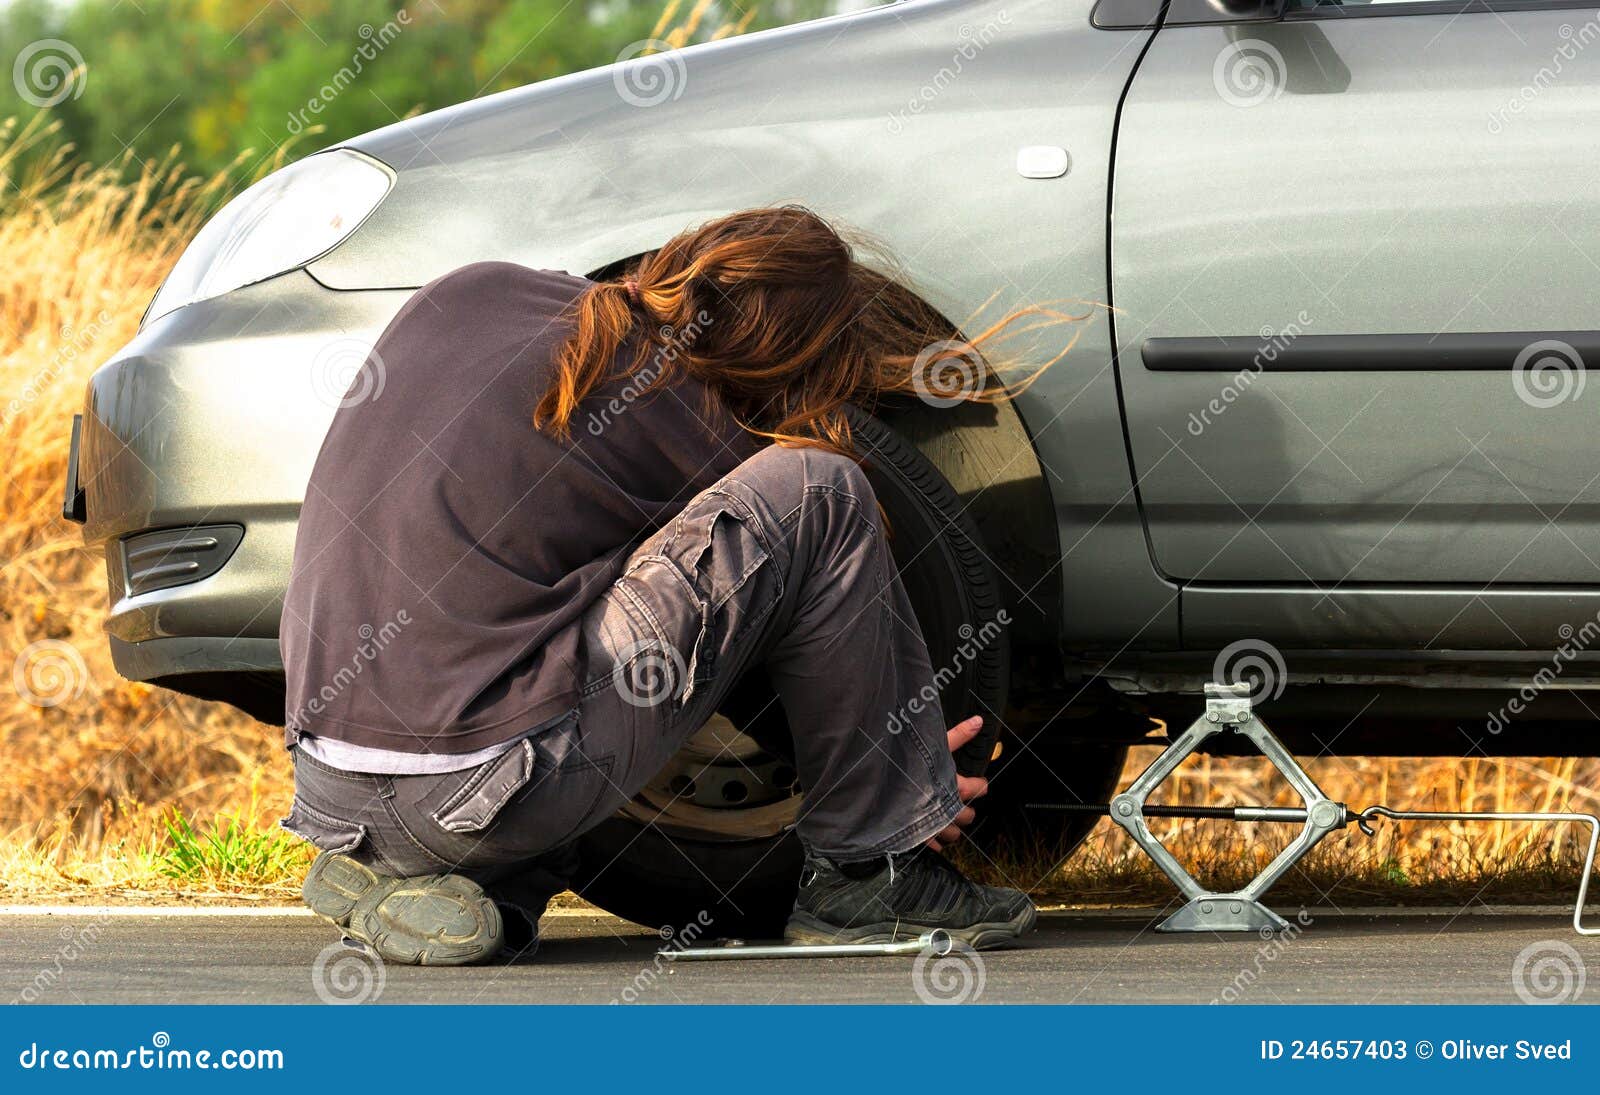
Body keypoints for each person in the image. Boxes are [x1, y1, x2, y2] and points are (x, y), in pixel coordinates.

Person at [279, 206, 1048, 965]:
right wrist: (897, 775)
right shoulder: (689, 414)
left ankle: (442, 880)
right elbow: (768, 638)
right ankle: (868, 876)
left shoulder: (474, 288)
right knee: (821, 489)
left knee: (539, 635)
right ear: (780, 362)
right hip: (472, 793)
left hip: (327, 787)